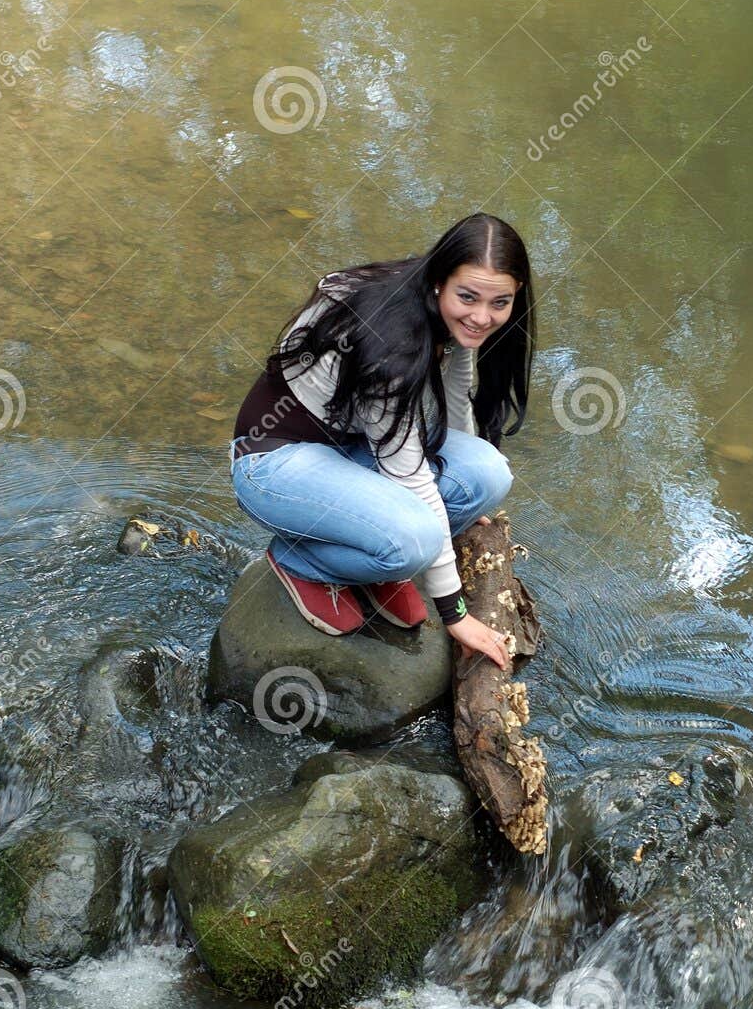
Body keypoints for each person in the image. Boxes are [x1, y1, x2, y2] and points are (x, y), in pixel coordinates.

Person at [229, 212, 535, 668]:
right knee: (414, 540)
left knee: (488, 474)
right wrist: (455, 614)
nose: (481, 317)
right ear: (439, 282)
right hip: (274, 463)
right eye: (468, 297)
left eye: (499, 303)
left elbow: (456, 393)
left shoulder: (443, 315)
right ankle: (302, 562)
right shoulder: (389, 338)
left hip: (350, 451)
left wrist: (471, 507)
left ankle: (372, 554)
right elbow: (407, 472)